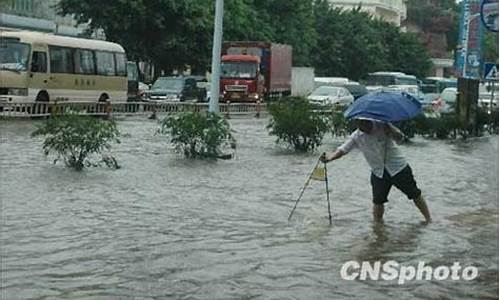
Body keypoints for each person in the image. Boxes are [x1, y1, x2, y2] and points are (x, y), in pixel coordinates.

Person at [321, 118, 432, 223]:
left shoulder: (383, 126)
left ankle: (428, 219)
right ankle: (378, 228)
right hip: (378, 172)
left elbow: (401, 139)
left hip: (398, 168)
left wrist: (392, 131)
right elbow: (343, 150)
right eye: (358, 123)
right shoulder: (356, 136)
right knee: (378, 201)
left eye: (363, 123)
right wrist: (330, 158)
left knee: (415, 194)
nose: (361, 126)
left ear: (369, 121)